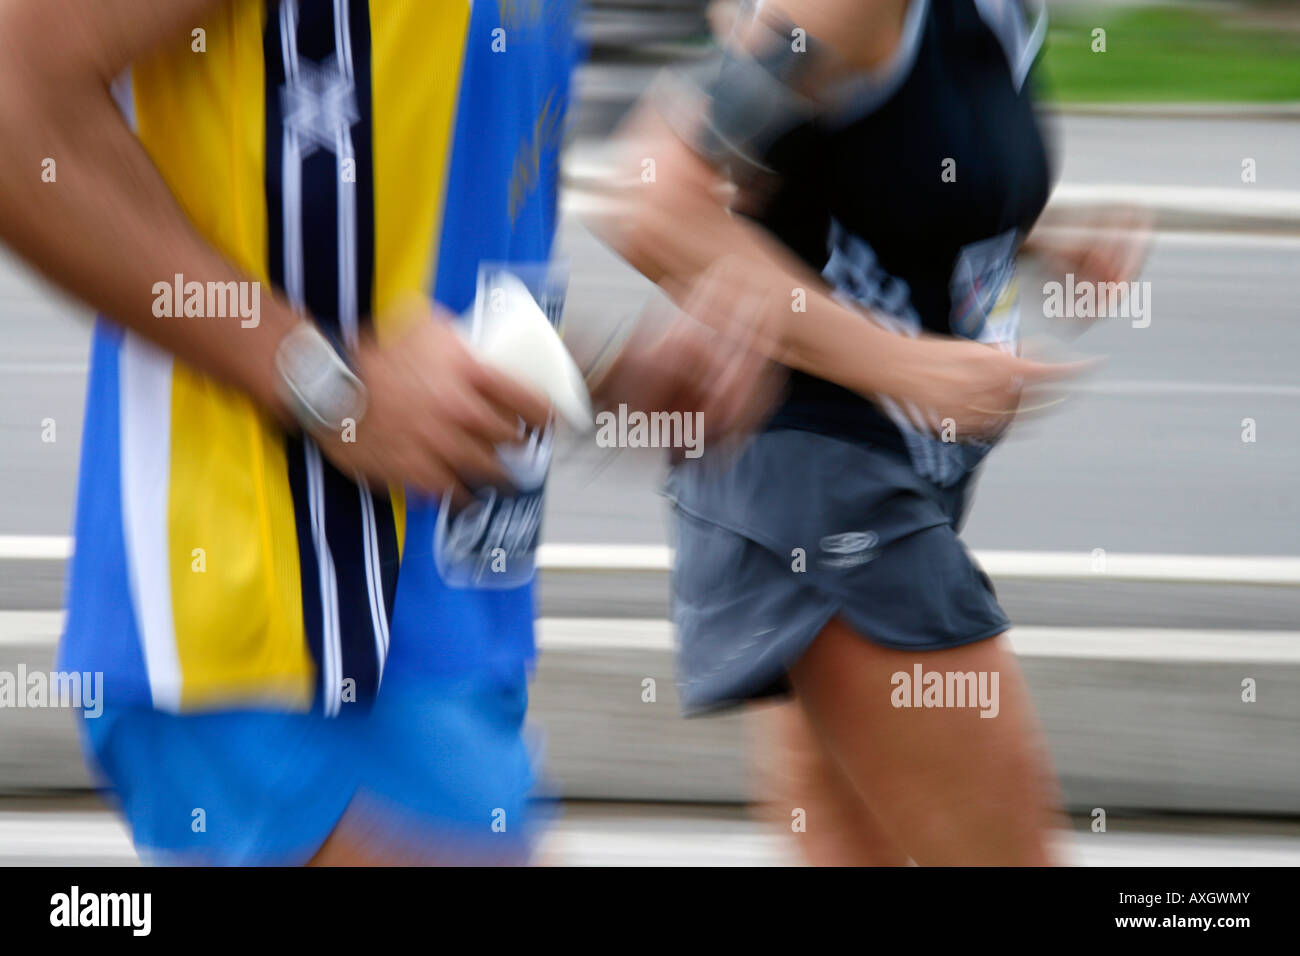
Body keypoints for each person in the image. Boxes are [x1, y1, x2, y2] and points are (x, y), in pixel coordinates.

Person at [0, 0, 761, 866]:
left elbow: (402, 274)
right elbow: (16, 104)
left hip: (448, 643)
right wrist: (328, 387)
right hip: (268, 635)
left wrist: (607, 377)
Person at [597, 0, 1148, 865]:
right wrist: (904, 366)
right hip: (818, 486)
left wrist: (1040, 242)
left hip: (888, 477)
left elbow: (886, 161)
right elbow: (652, 203)